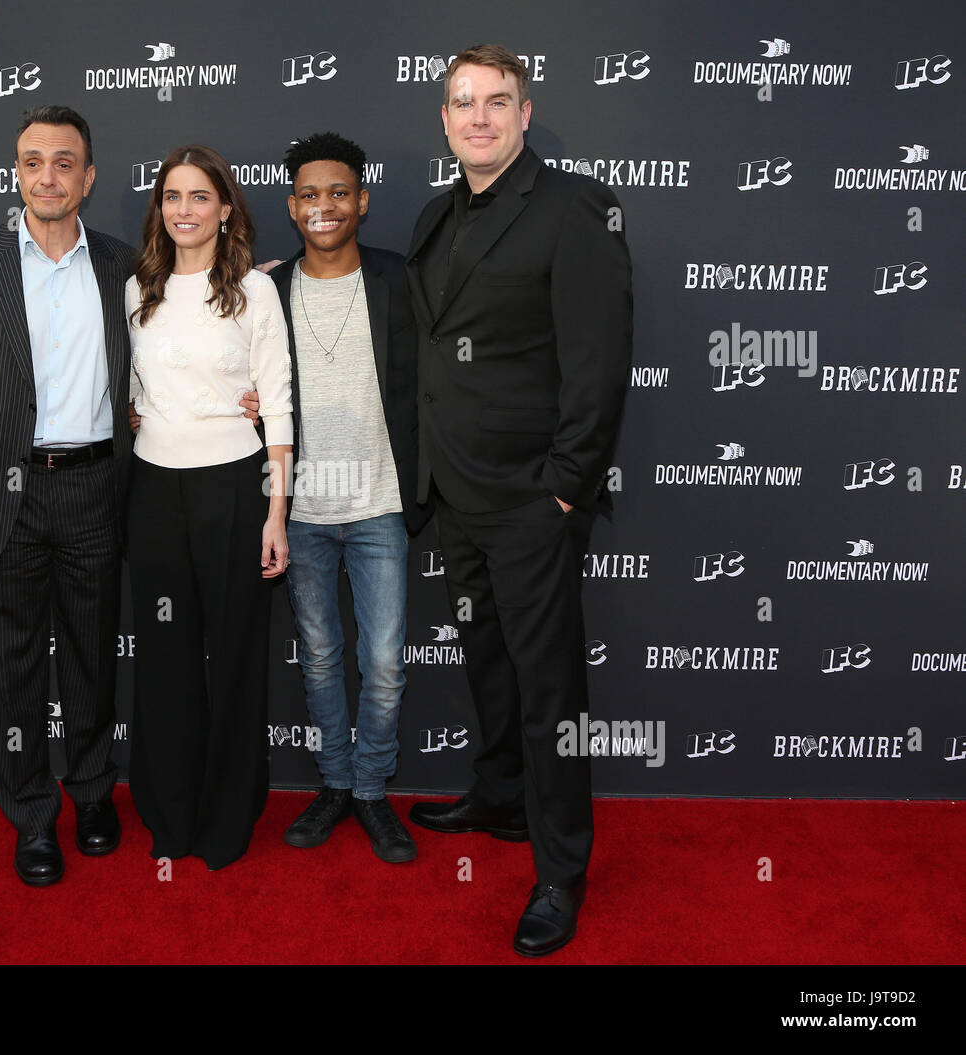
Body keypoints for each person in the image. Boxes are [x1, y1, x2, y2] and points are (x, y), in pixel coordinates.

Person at [404, 46, 633, 954]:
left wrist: (566, 494)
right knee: (489, 666)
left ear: (526, 114)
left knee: (550, 692)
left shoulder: (575, 207)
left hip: (533, 502)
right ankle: (500, 796)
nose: (479, 118)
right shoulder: (435, 215)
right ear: (446, 119)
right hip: (453, 493)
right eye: (463, 104)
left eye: (498, 102)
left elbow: (600, 362)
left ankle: (561, 869)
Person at [0, 105, 133, 887]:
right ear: (16, 171)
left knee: (91, 657)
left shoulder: (121, 265)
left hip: (95, 487)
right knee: (11, 668)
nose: (48, 175)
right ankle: (32, 817)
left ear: (89, 177)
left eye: (65, 162)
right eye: (33, 160)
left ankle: (93, 792)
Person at [124, 144, 292, 871]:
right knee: (163, 661)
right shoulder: (137, 289)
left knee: (234, 660)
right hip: (154, 489)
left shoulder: (256, 293)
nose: (184, 209)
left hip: (235, 485)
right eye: (172, 197)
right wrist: (140, 414)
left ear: (226, 209)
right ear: (158, 209)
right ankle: (170, 811)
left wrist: (277, 511)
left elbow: (278, 405)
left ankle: (228, 815)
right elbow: (130, 385)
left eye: (199, 196)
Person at [265, 132, 431, 863]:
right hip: (297, 510)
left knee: (387, 659)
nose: (323, 205)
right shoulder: (266, 290)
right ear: (291, 205)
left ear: (362, 200)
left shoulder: (401, 279)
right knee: (323, 655)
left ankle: (370, 789)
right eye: (309, 193)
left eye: (338, 192)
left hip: (380, 503)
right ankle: (334, 783)